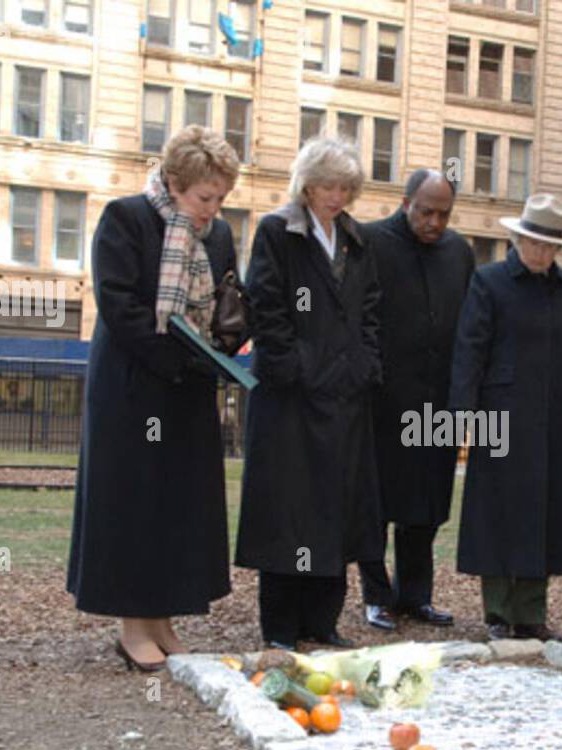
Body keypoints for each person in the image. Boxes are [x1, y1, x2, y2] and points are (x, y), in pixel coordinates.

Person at [67, 125, 240, 671]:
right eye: (203, 198)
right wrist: (177, 357)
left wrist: (228, 335)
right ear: (174, 181)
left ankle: (165, 619)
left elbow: (225, 298)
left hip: (187, 390)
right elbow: (118, 305)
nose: (212, 210)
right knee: (135, 502)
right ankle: (132, 626)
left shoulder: (218, 234)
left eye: (220, 199)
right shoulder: (126, 218)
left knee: (181, 504)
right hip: (132, 389)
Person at [235, 137, 383, 650]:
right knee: (288, 510)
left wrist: (364, 364)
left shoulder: (356, 240)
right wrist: (295, 365)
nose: (335, 196)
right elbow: (266, 302)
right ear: (307, 184)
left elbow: (370, 311)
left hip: (345, 397)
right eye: (326, 185)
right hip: (292, 400)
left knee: (337, 510)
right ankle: (280, 626)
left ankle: (322, 621)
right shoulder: (279, 231)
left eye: (344, 187)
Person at [448, 193, 562, 640]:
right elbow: (469, 350)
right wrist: (461, 413)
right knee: (497, 511)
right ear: (516, 239)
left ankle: (531, 613)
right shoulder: (488, 282)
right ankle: (498, 612)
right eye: (533, 243)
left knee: (544, 513)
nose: (541, 253)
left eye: (550, 246)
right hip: (498, 417)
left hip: (551, 420)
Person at [358, 169, 475, 632]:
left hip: (439, 400)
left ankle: (416, 595)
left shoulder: (459, 252)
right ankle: (376, 595)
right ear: (405, 202)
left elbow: (469, 324)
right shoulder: (370, 243)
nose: (434, 222)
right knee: (377, 503)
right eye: (425, 211)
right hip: (385, 399)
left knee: (427, 504)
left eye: (443, 214)